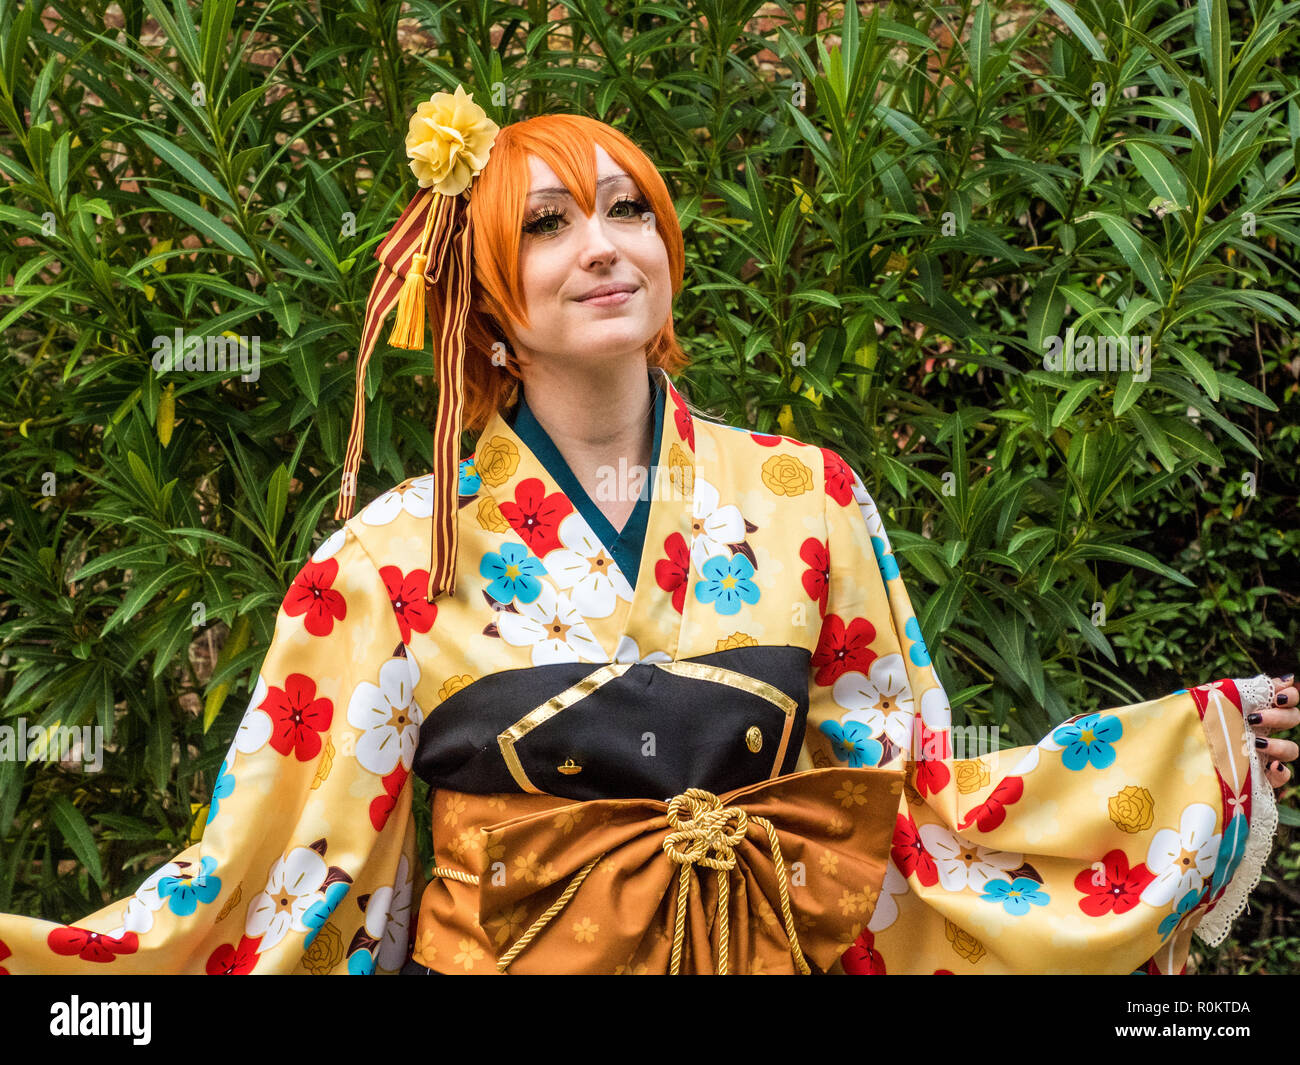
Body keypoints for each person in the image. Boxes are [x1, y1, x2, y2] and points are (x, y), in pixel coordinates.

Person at [0, 88, 1294, 975]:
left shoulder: (805, 500)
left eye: (629, 210)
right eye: (548, 225)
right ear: (489, 303)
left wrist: (1197, 753)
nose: (604, 246)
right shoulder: (393, 559)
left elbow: (910, 807)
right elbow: (274, 871)